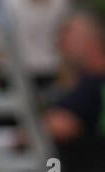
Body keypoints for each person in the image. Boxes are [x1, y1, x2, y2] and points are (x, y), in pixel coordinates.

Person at [43, 8, 105, 143]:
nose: (59, 44)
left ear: (89, 38)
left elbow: (63, 125)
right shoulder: (82, 80)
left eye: (66, 34)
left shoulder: (94, 82)